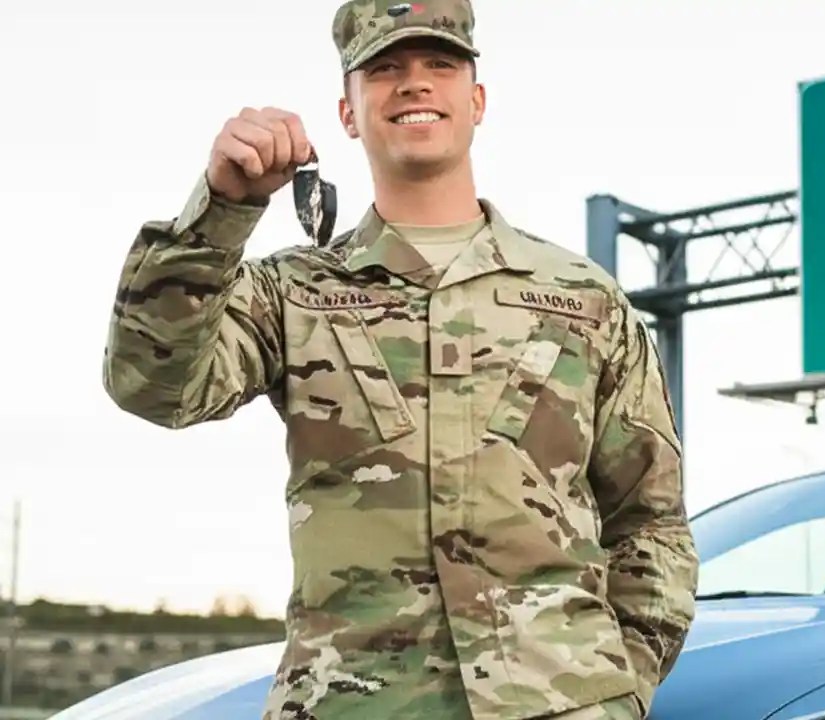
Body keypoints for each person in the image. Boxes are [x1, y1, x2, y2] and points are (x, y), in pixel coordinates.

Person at [100, 1, 699, 717]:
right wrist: (221, 210)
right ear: (347, 113)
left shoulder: (583, 299)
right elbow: (154, 384)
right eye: (384, 68)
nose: (415, 82)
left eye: (440, 63)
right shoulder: (294, 291)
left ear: (477, 101)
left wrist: (615, 692)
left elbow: (651, 524)